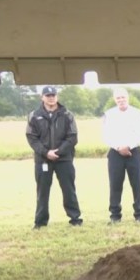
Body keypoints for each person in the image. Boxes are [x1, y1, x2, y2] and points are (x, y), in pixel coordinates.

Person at [26, 86, 82, 229]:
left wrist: (59, 152)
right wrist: (46, 153)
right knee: (42, 192)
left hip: (64, 159)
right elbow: (32, 138)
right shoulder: (34, 115)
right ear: (42, 97)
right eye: (48, 95)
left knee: (69, 190)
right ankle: (40, 222)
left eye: (53, 95)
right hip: (43, 160)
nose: (51, 98)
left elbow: (72, 137)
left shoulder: (67, 114)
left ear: (57, 96)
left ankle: (75, 219)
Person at [102, 87, 140, 223]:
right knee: (115, 185)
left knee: (137, 184)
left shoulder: (137, 113)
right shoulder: (109, 114)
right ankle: (115, 215)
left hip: (134, 152)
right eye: (118, 98)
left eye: (123, 97)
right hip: (115, 153)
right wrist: (118, 147)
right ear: (114, 99)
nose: (121, 100)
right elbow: (106, 135)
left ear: (128, 98)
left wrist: (129, 146)